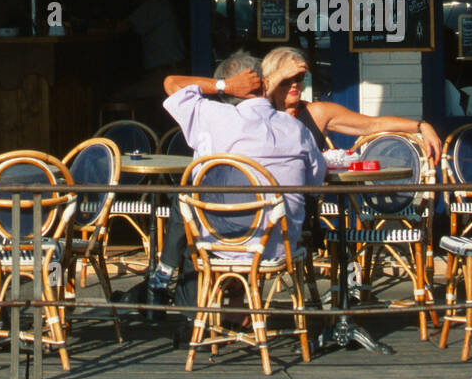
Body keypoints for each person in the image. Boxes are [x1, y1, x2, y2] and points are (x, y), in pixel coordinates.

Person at [146, 51, 325, 306]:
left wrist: (225, 86)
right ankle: (232, 308)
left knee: (190, 207)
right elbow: (314, 184)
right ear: (264, 85)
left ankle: (185, 308)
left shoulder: (214, 117)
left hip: (222, 244)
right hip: (278, 246)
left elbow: (171, 84)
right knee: (193, 204)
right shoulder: (295, 127)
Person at [260, 46, 442, 165]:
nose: (294, 84)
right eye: (286, 80)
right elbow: (246, 103)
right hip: (263, 198)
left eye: (298, 78)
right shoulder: (257, 112)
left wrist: (420, 126)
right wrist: (279, 74)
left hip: (301, 201)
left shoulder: (316, 112)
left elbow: (373, 124)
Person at [113, 0, 187, 101]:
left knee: (119, 96)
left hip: (165, 75)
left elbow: (121, 27)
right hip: (169, 72)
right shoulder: (160, 2)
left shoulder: (154, 5)